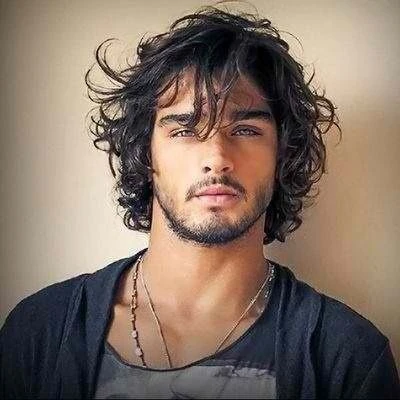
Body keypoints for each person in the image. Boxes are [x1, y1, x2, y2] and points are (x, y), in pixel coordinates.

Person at [1, 5, 399, 399]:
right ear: (145, 153)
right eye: (186, 130)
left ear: (282, 156)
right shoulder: (39, 332)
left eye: (245, 129)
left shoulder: (347, 358)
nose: (217, 158)